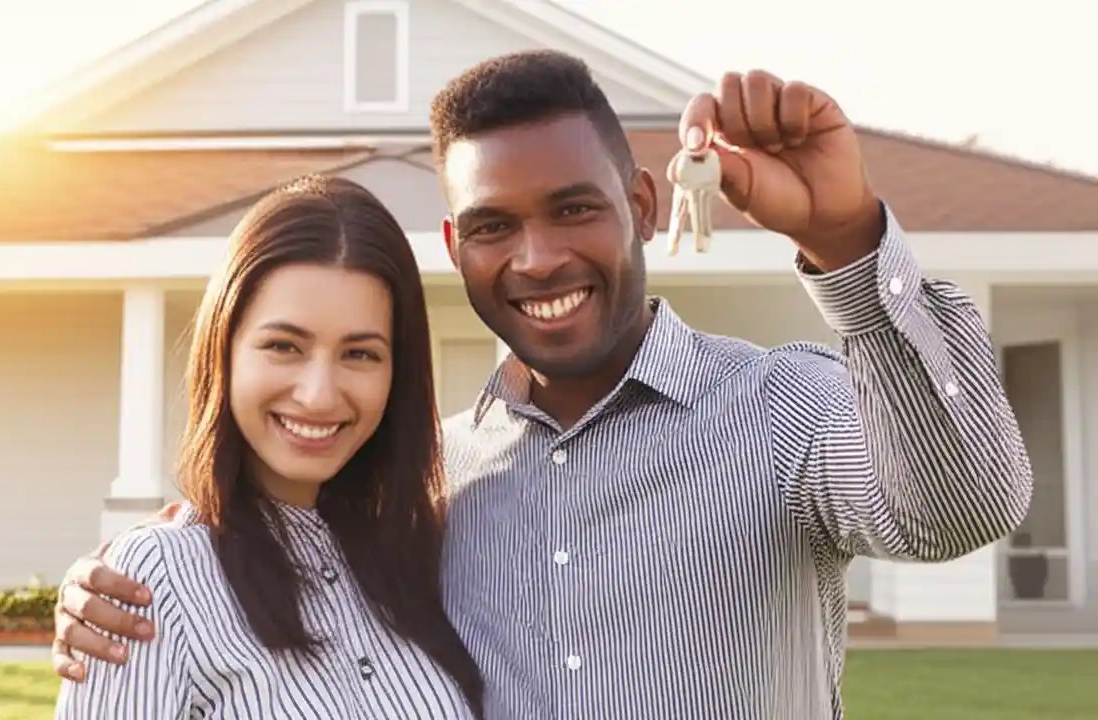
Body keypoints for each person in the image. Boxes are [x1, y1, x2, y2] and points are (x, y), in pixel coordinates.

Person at [51, 51, 1033, 720]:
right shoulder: (429, 489)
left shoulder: (782, 414)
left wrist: (844, 240)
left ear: (642, 206)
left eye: (574, 210)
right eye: (491, 227)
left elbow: (963, 505)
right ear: (455, 246)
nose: (537, 259)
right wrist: (144, 569)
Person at [53, 175, 484, 718]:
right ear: (224, 349)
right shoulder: (152, 578)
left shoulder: (432, 557)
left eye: (360, 354)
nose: (319, 394)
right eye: (284, 346)